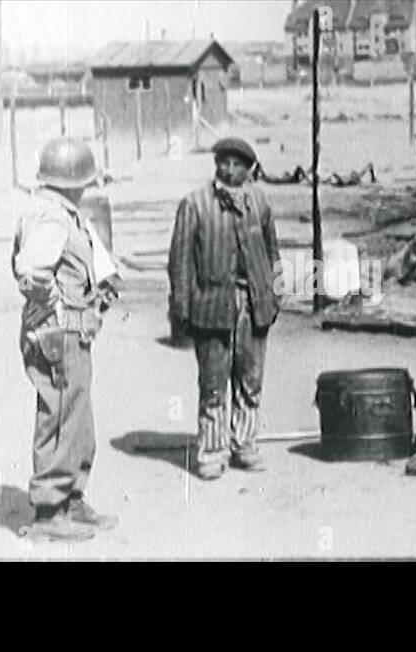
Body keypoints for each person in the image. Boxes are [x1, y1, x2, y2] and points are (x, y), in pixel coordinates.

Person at [12, 138, 119, 541]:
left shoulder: (61, 213)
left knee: (76, 419)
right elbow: (31, 272)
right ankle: (47, 513)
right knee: (58, 418)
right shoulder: (51, 216)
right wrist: (55, 310)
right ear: (75, 181)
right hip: (59, 332)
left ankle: (71, 499)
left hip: (73, 329)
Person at [168, 137, 281, 480]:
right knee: (214, 382)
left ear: (250, 169)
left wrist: (274, 297)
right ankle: (212, 451)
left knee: (250, 378)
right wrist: (181, 311)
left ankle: (245, 443)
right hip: (211, 305)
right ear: (215, 164)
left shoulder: (259, 202)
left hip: (254, 303)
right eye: (224, 162)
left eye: (238, 164)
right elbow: (181, 262)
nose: (230, 169)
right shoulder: (195, 204)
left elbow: (273, 254)